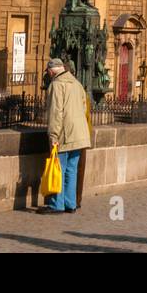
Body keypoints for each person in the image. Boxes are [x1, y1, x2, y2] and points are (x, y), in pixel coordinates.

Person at [42, 57, 91, 214]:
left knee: (60, 168)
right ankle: (71, 204)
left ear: (51, 71)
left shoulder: (57, 85)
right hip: (80, 134)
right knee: (72, 169)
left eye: (48, 72)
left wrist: (53, 136)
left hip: (65, 134)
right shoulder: (77, 84)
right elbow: (84, 108)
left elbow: (56, 113)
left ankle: (57, 204)